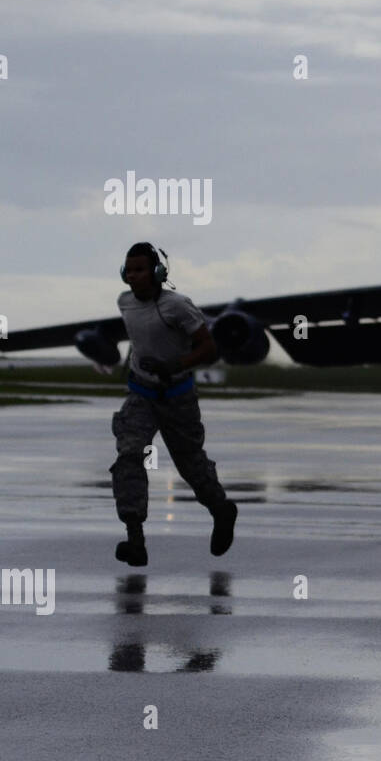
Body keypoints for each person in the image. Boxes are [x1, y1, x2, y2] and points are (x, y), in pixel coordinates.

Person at [110, 242, 237, 566]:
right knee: (128, 455)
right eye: (129, 270)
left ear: (157, 273)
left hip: (177, 397)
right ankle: (135, 539)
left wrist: (176, 364)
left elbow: (209, 350)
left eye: (140, 269)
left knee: (191, 466)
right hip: (142, 394)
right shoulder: (124, 302)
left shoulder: (178, 306)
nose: (133, 277)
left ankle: (222, 510)